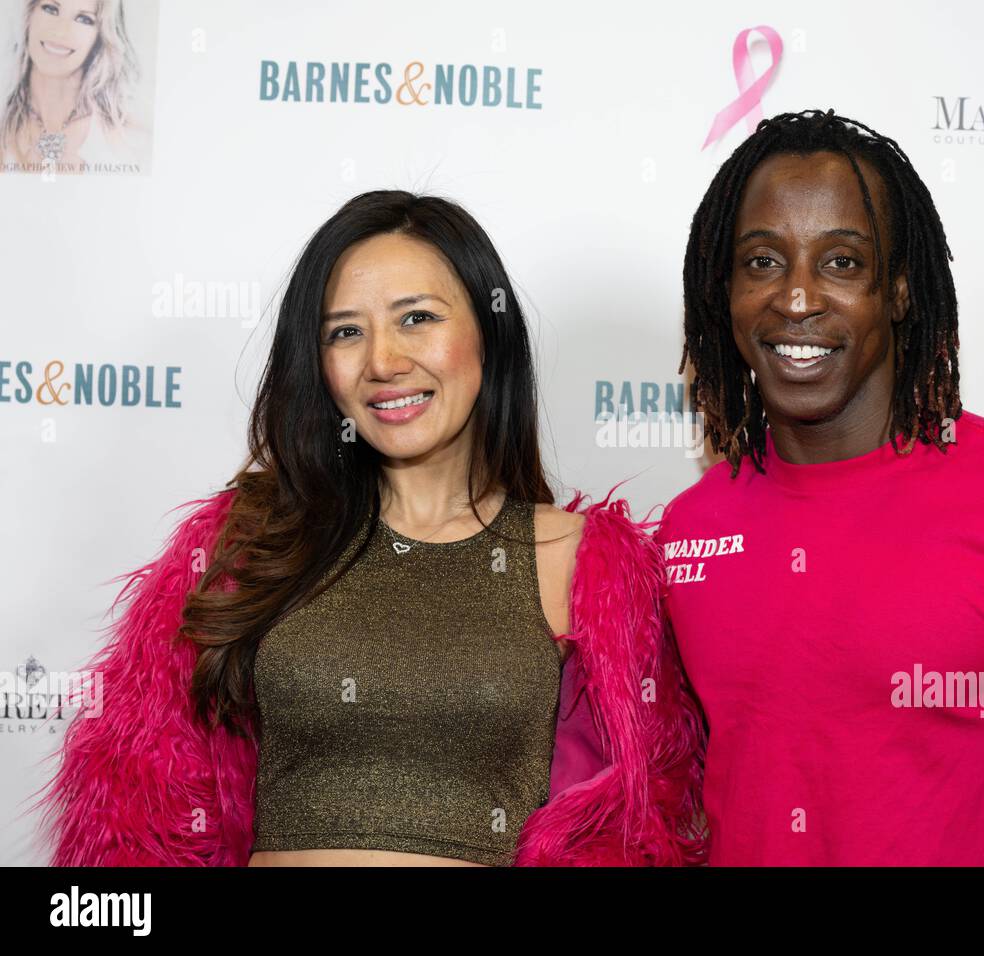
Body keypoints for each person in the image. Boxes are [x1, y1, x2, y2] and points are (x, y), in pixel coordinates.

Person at [27, 190, 707, 866]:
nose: (383, 361)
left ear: (489, 334)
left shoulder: (584, 561)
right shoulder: (251, 545)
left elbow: (640, 822)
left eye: (417, 318)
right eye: (345, 332)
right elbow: (143, 805)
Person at [658, 108, 984, 866]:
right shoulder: (687, 529)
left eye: (842, 263)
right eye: (763, 262)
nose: (797, 299)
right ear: (724, 293)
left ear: (900, 291)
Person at [0, 0, 149, 172]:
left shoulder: (128, 142)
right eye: (51, 9)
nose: (60, 32)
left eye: (84, 19)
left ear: (100, 37)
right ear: (29, 15)